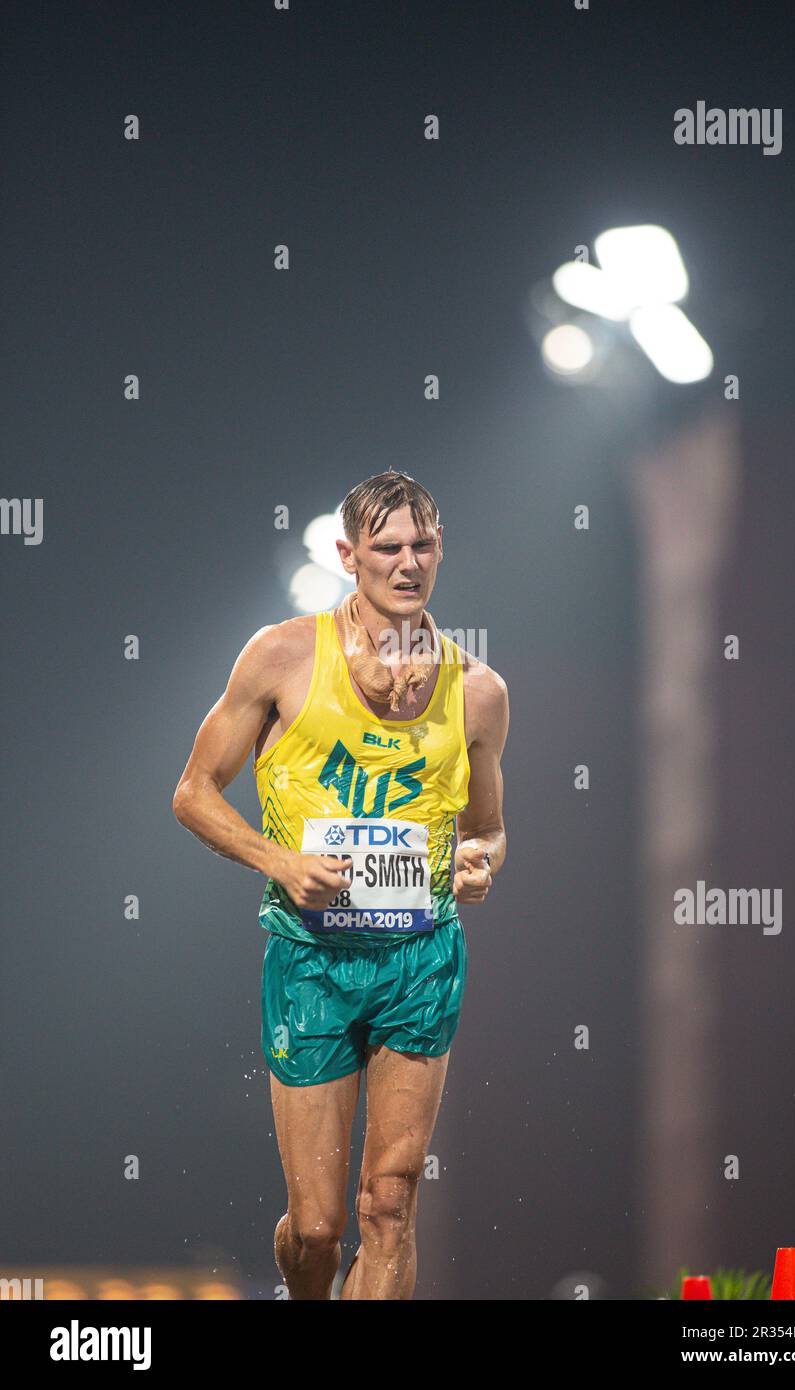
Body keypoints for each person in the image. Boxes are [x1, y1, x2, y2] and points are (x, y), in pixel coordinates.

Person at [172, 470, 509, 1299]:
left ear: (440, 551)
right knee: (318, 1228)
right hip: (313, 962)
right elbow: (192, 792)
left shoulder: (479, 693)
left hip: (421, 958)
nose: (407, 563)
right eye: (387, 547)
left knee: (389, 1204)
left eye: (422, 545)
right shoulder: (283, 655)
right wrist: (279, 862)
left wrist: (480, 862)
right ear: (347, 555)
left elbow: (487, 828)